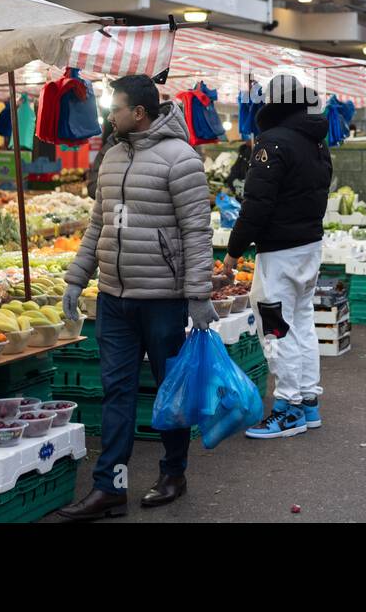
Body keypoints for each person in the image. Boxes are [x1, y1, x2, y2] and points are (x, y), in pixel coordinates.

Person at [57, 76, 215, 520]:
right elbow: (98, 226)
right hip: (113, 297)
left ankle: (173, 473)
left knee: (171, 391)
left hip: (162, 298)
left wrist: (198, 295)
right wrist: (76, 278)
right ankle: (110, 487)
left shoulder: (181, 159)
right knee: (117, 390)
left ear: (140, 113)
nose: (110, 115)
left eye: (117, 108)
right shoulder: (110, 156)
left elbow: (197, 234)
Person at [222, 75, 333, 439]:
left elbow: (256, 205)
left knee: (276, 329)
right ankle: (307, 401)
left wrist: (233, 252)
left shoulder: (271, 144)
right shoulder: (318, 143)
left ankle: (286, 410)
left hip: (280, 255)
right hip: (309, 249)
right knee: (301, 324)